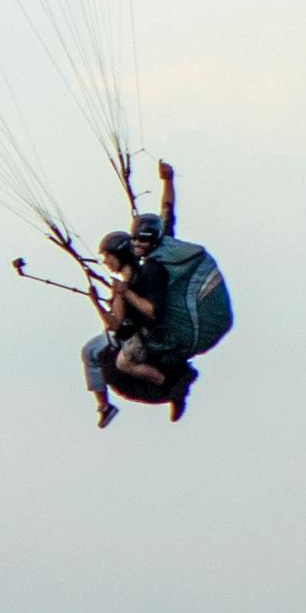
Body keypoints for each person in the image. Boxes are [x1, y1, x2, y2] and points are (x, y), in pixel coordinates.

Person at [71, 157, 234, 429]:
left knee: (109, 357)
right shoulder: (158, 247)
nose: (138, 245)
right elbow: (167, 211)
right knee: (92, 351)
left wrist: (112, 298)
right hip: (142, 333)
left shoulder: (149, 272)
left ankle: (167, 387)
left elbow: (125, 320)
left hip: (152, 336)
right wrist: (167, 181)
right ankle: (106, 405)